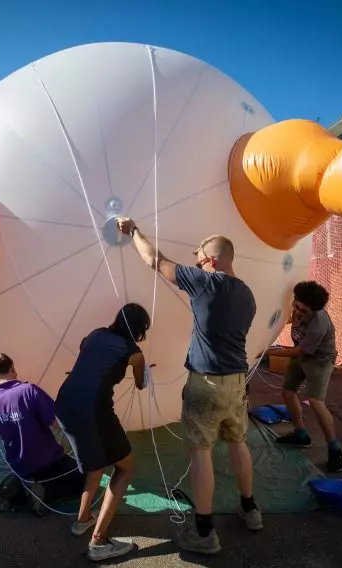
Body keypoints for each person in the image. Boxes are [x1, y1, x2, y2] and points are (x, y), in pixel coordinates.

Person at [116, 218, 261, 556]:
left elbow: (155, 261)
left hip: (205, 382)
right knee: (238, 442)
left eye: (199, 260)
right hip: (238, 382)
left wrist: (134, 231)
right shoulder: (248, 294)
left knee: (201, 452)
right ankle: (251, 510)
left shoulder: (205, 283)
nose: (196, 264)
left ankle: (205, 532)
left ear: (210, 260)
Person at [54, 304, 150, 563]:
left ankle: (82, 520)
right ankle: (98, 542)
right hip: (93, 410)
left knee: (94, 468)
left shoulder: (95, 334)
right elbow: (142, 383)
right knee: (125, 467)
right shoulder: (134, 353)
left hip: (64, 404)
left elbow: (86, 351)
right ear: (141, 330)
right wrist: (144, 370)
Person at [0, 353, 86, 513]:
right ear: (12, 368)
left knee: (30, 477)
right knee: (85, 480)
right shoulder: (28, 391)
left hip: (19, 466)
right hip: (47, 461)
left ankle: (12, 489)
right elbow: (59, 423)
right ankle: (40, 496)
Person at [266, 281, 342, 473]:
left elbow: (299, 350)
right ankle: (301, 433)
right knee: (287, 391)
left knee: (316, 401)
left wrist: (266, 352)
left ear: (314, 311)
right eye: (296, 306)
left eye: (303, 310)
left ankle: (334, 449)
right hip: (301, 355)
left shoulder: (319, 324)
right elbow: (289, 320)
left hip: (319, 360)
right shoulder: (298, 308)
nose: (298, 312)